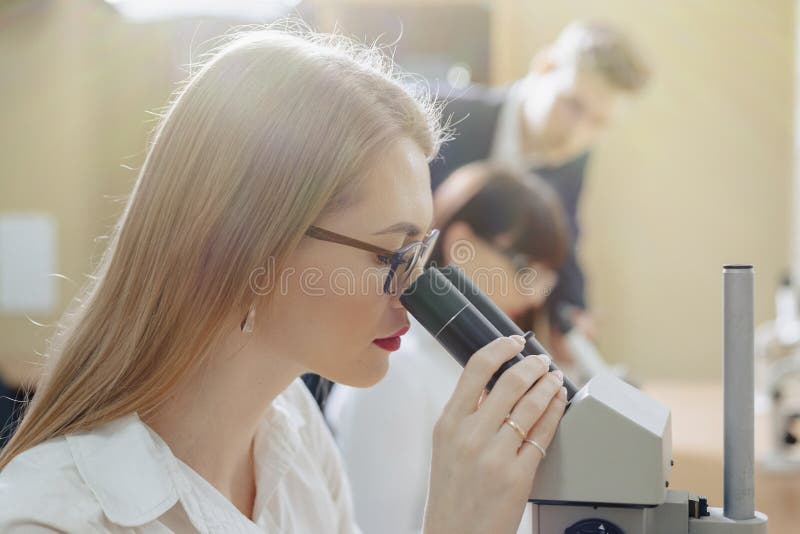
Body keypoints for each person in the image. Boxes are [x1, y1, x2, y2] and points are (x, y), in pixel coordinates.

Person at [0, 25, 567, 533]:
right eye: (391, 254)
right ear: (247, 249)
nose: (414, 298)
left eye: (421, 253)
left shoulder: (293, 434)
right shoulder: (53, 519)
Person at [325, 162, 569, 534]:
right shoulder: (394, 376)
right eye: (525, 270)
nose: (536, 294)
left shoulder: (497, 368)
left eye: (546, 277)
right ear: (463, 247)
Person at [429, 20, 650, 358]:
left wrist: (574, 315)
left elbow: (564, 239)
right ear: (544, 67)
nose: (578, 134)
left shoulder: (574, 158)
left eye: (599, 123)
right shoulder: (446, 114)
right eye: (573, 106)